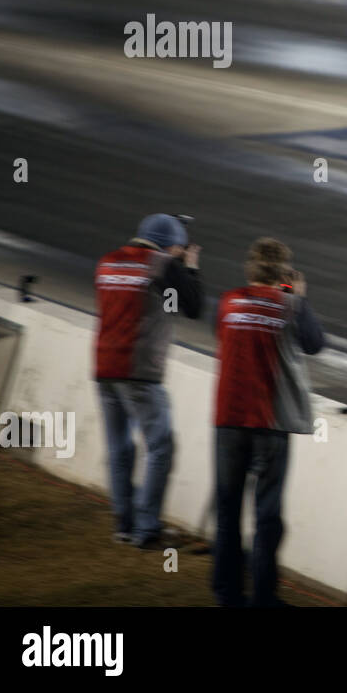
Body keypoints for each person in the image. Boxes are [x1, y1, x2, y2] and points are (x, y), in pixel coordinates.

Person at [212, 238, 324, 607]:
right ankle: (263, 597)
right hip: (269, 423)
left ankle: (227, 594)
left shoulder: (227, 302)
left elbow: (224, 337)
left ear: (249, 268)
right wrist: (300, 296)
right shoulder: (289, 305)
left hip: (228, 420)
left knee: (228, 512)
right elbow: (314, 343)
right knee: (267, 515)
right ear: (283, 274)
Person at [94, 213, 202, 550]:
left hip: (103, 366)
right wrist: (190, 268)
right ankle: (146, 528)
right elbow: (194, 307)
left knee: (120, 447)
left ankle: (124, 525)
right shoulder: (162, 265)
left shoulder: (107, 262)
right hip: (139, 372)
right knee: (160, 447)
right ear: (171, 246)